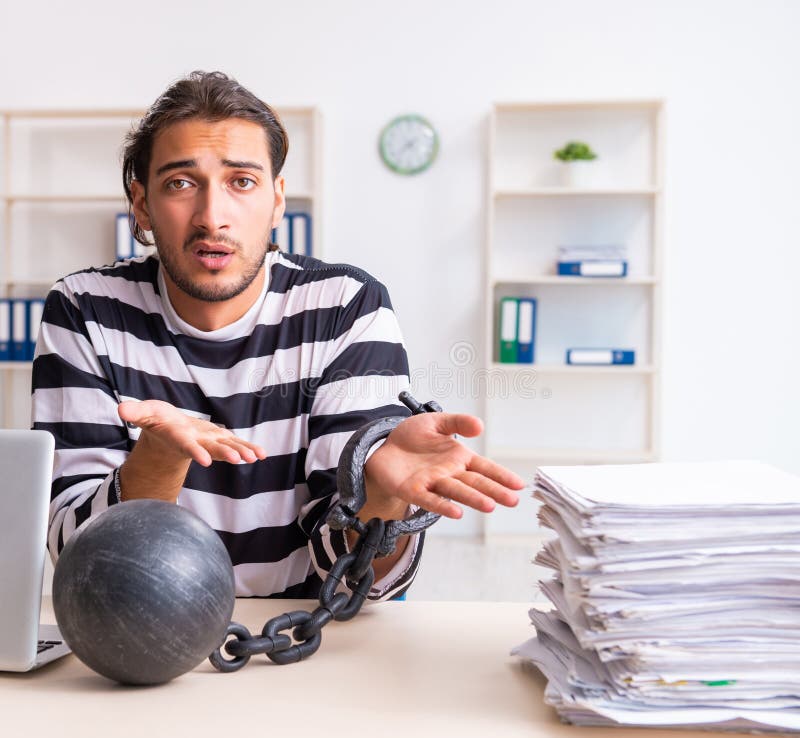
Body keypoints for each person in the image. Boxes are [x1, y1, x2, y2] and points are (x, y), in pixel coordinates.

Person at [32, 71, 524, 601]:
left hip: (309, 643)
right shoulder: (84, 310)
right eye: (180, 182)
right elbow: (76, 556)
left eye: (241, 181)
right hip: (141, 629)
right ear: (142, 203)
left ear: (276, 201)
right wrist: (157, 461)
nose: (212, 217)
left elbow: (356, 580)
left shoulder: (345, 307)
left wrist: (378, 495)